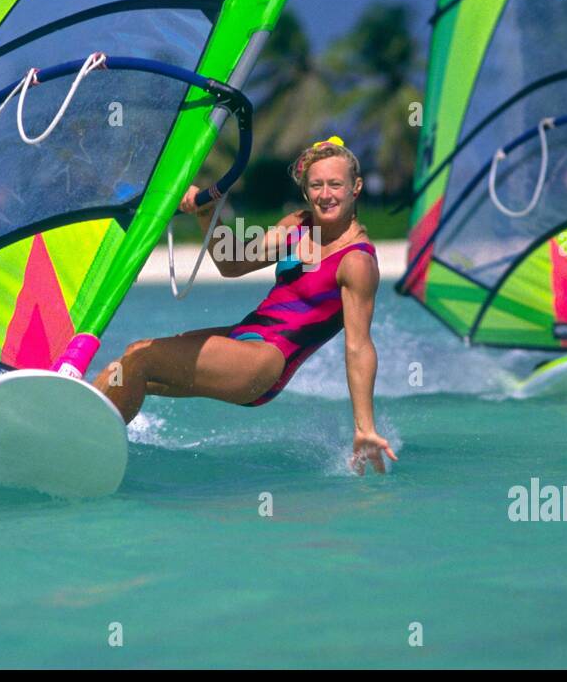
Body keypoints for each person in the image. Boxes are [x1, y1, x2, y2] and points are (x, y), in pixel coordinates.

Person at [92, 137, 395, 473]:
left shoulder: (356, 262)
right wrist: (207, 212)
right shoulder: (298, 225)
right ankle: (73, 421)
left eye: (335, 185)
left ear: (356, 187)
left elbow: (358, 347)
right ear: (307, 191)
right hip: (244, 336)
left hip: (264, 363)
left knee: (142, 360)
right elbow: (232, 263)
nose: (326, 194)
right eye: (317, 185)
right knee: (132, 359)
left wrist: (364, 427)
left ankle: (89, 452)